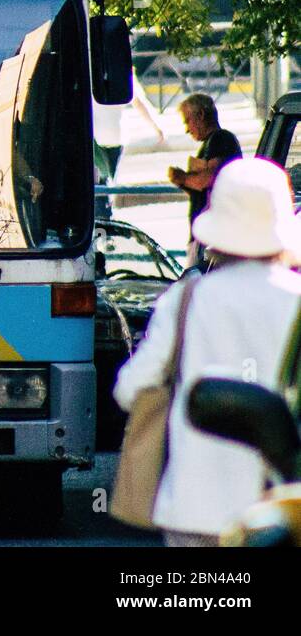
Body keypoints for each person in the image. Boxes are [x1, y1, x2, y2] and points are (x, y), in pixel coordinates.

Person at [114, 157, 301, 546]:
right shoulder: (296, 301)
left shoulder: (186, 300)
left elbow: (131, 388)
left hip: (192, 508)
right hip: (280, 513)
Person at [167, 93, 241, 268]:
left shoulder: (221, 139)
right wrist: (183, 182)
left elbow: (209, 180)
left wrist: (183, 177)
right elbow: (201, 190)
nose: (187, 129)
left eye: (188, 121)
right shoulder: (211, 143)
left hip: (212, 236)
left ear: (200, 115)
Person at [94, 67, 165, 219]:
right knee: (107, 179)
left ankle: (104, 219)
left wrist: (157, 127)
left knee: (103, 179)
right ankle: (105, 217)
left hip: (97, 137)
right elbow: (139, 103)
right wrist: (156, 127)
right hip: (116, 137)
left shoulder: (91, 74)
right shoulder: (123, 77)